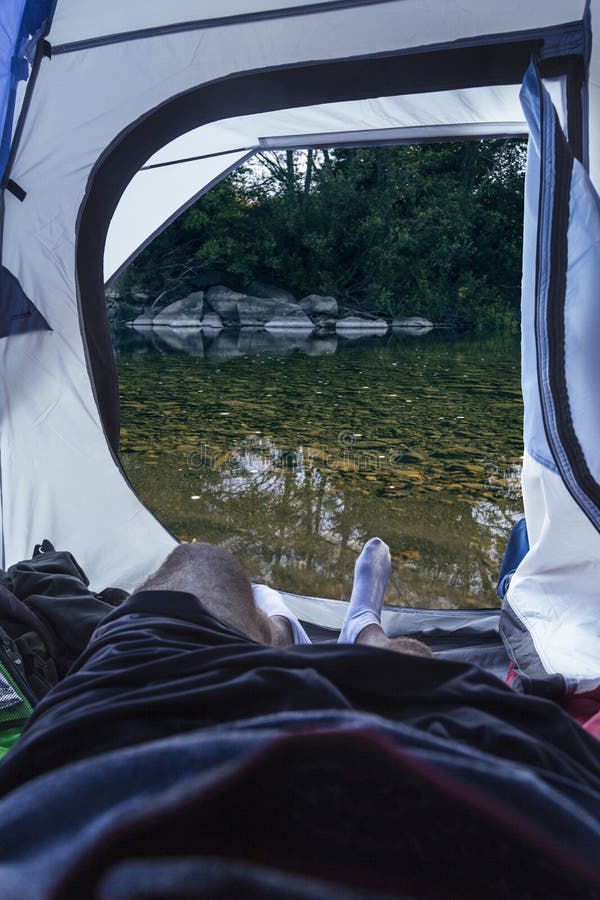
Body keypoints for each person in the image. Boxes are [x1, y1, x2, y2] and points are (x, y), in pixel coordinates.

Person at [0, 539, 599, 898]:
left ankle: (287, 641)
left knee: (202, 563)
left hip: (100, 747)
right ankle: (361, 630)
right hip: (474, 774)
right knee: (413, 672)